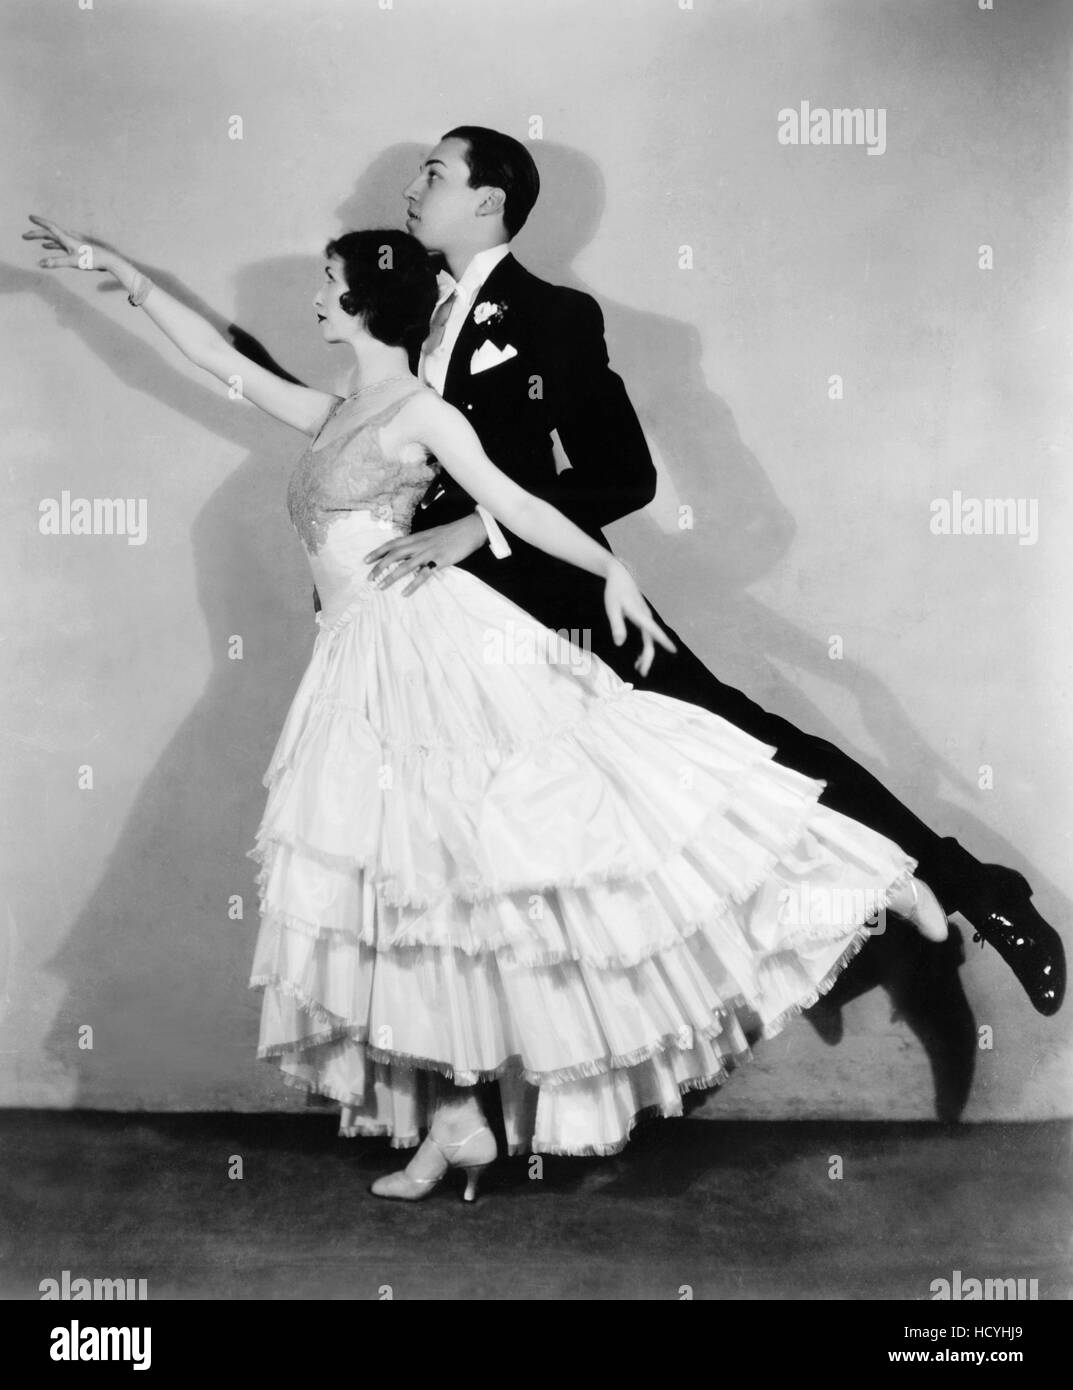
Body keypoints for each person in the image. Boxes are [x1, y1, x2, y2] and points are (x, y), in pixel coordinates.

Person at [27, 213, 949, 1199]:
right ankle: (458, 1123)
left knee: (592, 802)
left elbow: (515, 506)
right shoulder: (340, 403)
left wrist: (609, 573)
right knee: (412, 895)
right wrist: (113, 274)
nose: (311, 297)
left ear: (361, 303)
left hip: (430, 648)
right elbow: (218, 360)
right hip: (358, 663)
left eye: (324, 282)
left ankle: (854, 876)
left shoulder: (421, 414)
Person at [360, 124, 1064, 1018]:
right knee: (515, 817)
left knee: (744, 743)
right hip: (453, 616)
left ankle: (974, 890)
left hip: (555, 593)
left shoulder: (554, 314)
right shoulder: (419, 318)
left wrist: (477, 529)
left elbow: (622, 474)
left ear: (489, 200)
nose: (412, 189)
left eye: (434, 173)